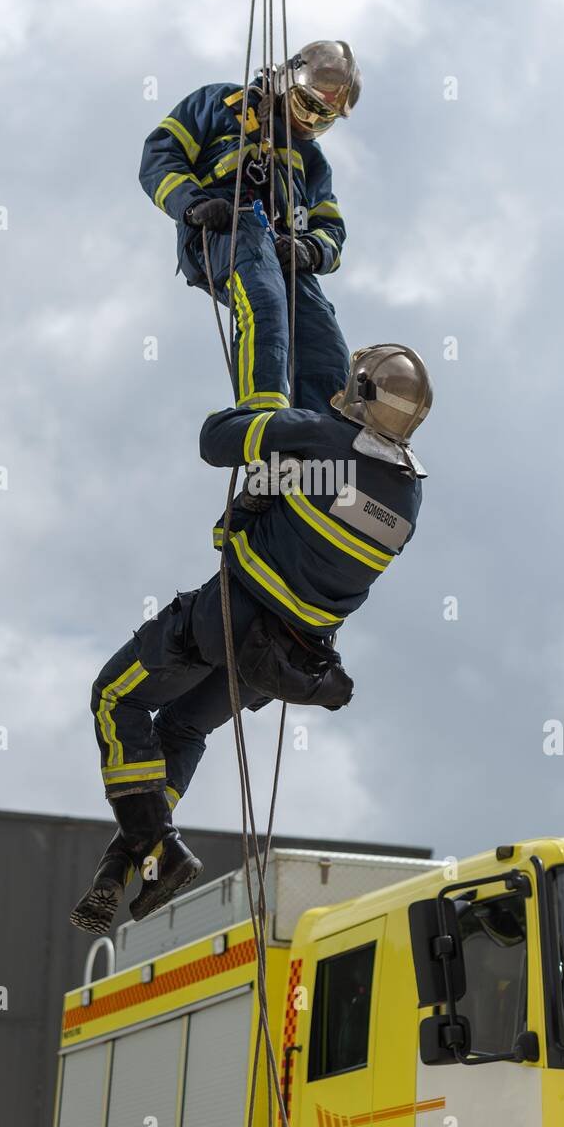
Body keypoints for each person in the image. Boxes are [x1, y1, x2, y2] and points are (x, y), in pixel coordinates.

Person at [70, 346, 433, 935]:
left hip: (224, 622)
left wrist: (270, 416)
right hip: (281, 662)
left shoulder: (318, 439)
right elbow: (316, 522)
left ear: (360, 394)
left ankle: (157, 842)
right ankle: (126, 864)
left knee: (115, 698)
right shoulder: (408, 495)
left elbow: (216, 440)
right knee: (182, 729)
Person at [139, 40, 361, 414]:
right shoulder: (218, 105)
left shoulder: (311, 160)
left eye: (323, 118)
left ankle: (317, 440)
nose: (309, 123)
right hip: (224, 229)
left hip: (283, 254)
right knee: (265, 302)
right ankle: (264, 420)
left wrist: (310, 249)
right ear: (287, 78)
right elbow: (158, 158)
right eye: (307, 106)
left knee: (323, 340)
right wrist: (194, 205)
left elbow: (331, 228)